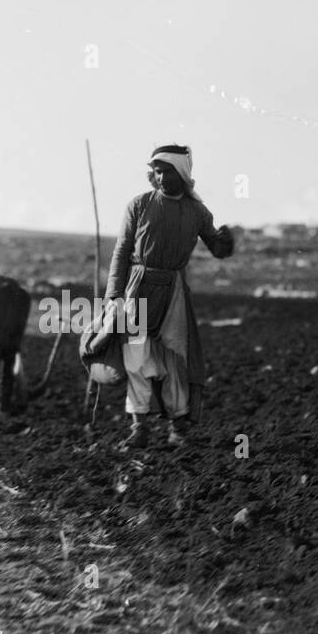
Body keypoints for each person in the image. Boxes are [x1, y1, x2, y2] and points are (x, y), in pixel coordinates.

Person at [103, 144, 234, 448]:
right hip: (138, 285)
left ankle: (178, 429)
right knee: (137, 356)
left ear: (182, 174)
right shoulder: (139, 205)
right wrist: (115, 293)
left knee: (175, 357)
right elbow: (122, 250)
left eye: (166, 172)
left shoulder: (197, 212)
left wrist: (226, 243)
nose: (160, 177)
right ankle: (140, 429)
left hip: (173, 289)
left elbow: (216, 247)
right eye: (157, 172)